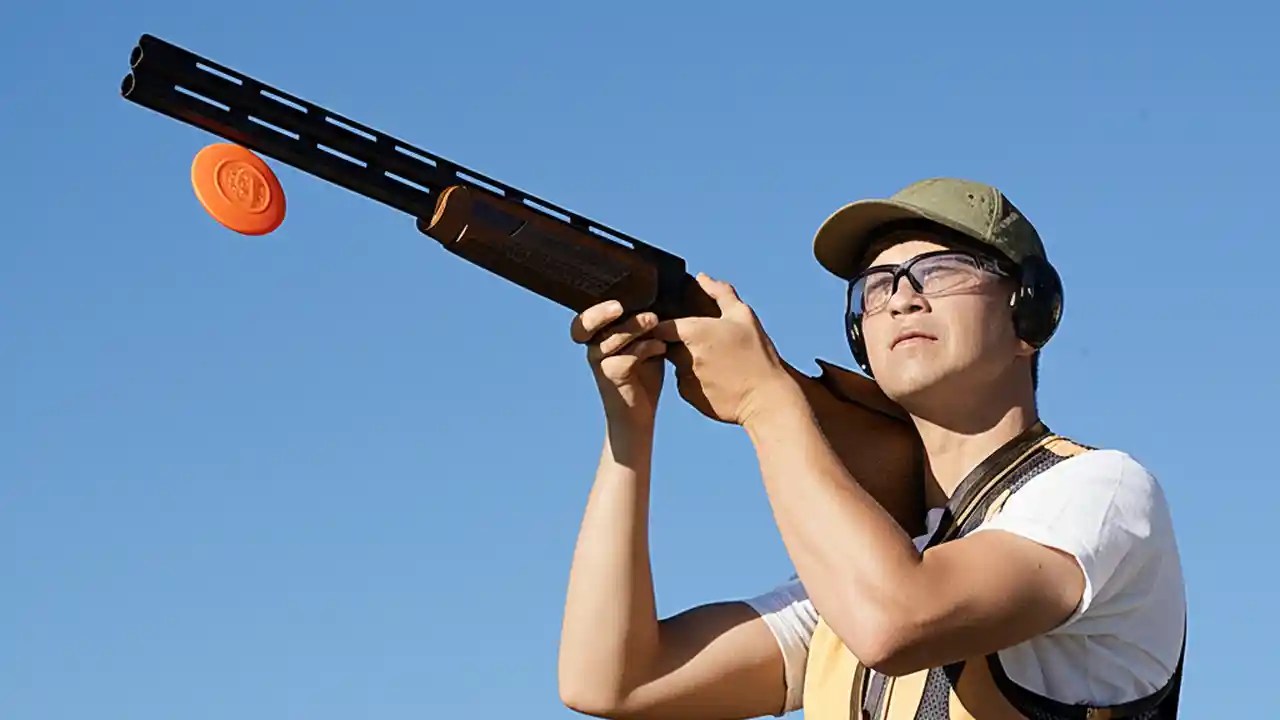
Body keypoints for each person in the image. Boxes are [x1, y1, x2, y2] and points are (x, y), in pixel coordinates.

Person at [556, 177, 1187, 719]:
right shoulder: (869, 572)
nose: (903, 297)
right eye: (877, 286)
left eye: (942, 271)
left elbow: (897, 622)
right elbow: (614, 680)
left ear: (1030, 314)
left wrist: (766, 399)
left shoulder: (1101, 490)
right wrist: (629, 432)